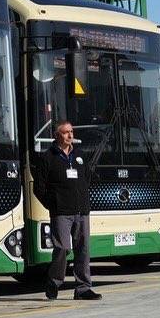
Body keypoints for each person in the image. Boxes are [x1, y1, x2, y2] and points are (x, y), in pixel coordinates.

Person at [34, 120, 102, 300]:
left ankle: (83, 288)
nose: (70, 135)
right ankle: (54, 281)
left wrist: (82, 198)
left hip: (81, 211)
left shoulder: (79, 156)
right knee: (63, 248)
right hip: (61, 212)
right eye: (66, 132)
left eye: (71, 132)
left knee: (83, 249)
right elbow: (38, 188)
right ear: (57, 136)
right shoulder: (48, 157)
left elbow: (87, 178)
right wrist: (53, 204)